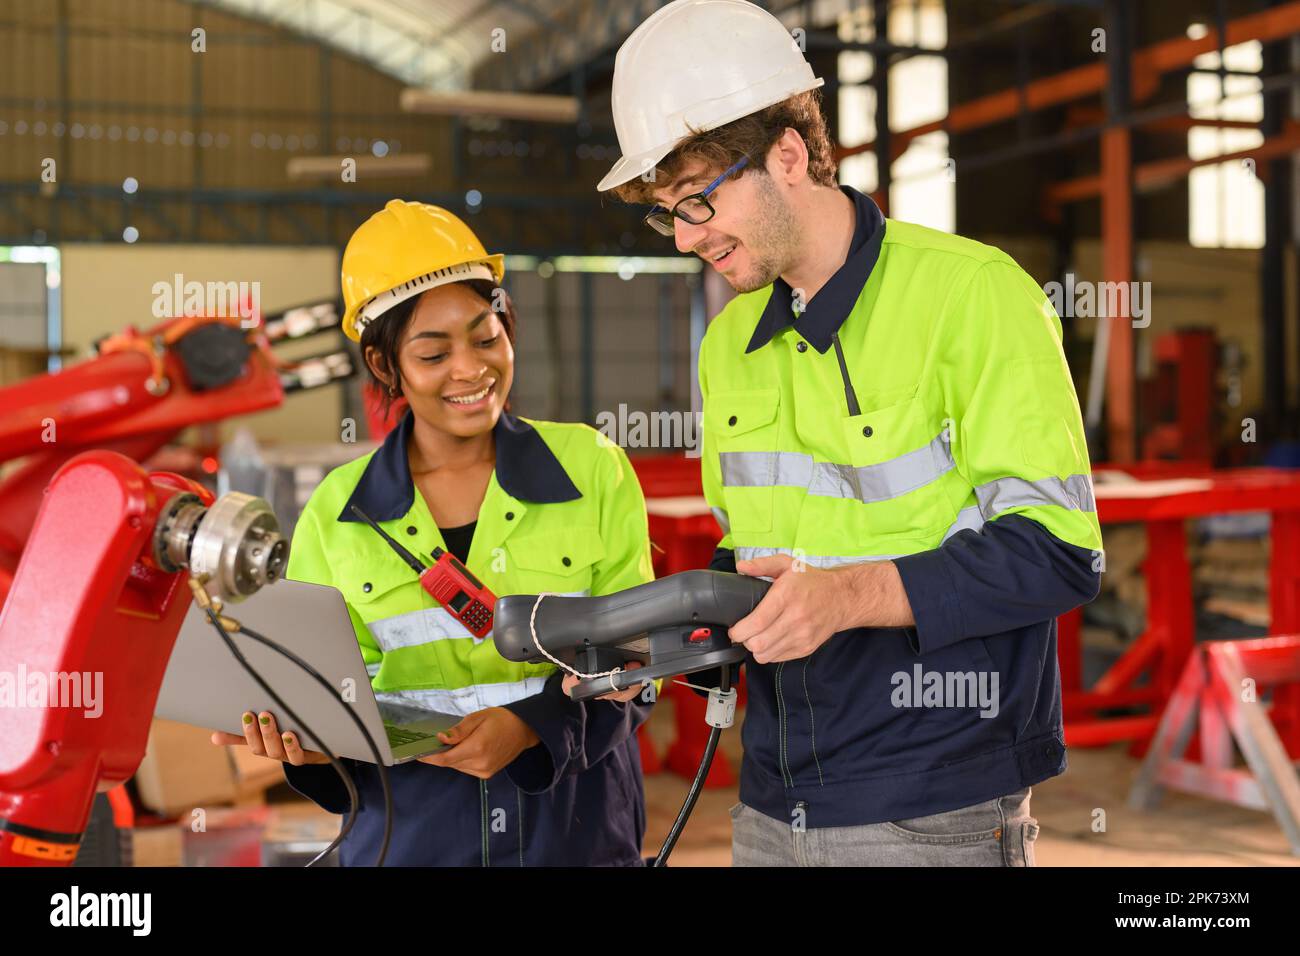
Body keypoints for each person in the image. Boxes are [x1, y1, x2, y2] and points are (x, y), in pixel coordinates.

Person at [599, 0, 1103, 866]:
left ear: (788, 155)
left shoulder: (972, 295)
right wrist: (649, 645)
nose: (687, 238)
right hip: (771, 797)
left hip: (933, 801)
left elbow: (1058, 552)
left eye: (698, 202)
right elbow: (755, 558)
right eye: (667, 213)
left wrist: (846, 598)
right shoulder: (729, 344)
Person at [211, 200, 655, 866]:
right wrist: (303, 744)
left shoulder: (591, 469)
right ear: (385, 365)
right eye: (433, 352)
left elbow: (639, 667)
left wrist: (532, 731)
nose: (471, 368)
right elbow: (328, 695)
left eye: (486, 336)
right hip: (412, 840)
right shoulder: (340, 512)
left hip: (571, 833)